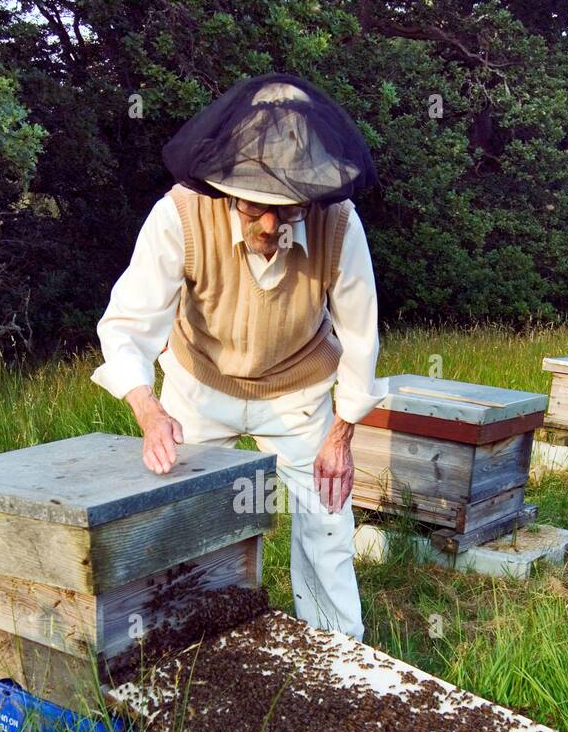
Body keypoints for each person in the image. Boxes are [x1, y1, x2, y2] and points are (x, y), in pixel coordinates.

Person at [90, 73, 386, 641]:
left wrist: (342, 434)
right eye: (256, 207)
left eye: (289, 208)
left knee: (327, 521)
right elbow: (128, 324)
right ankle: (185, 646)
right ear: (225, 185)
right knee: (189, 521)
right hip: (200, 390)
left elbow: (361, 336)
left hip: (299, 393)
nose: (271, 224)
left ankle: (341, 652)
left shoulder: (340, 223)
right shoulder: (178, 216)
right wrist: (149, 411)